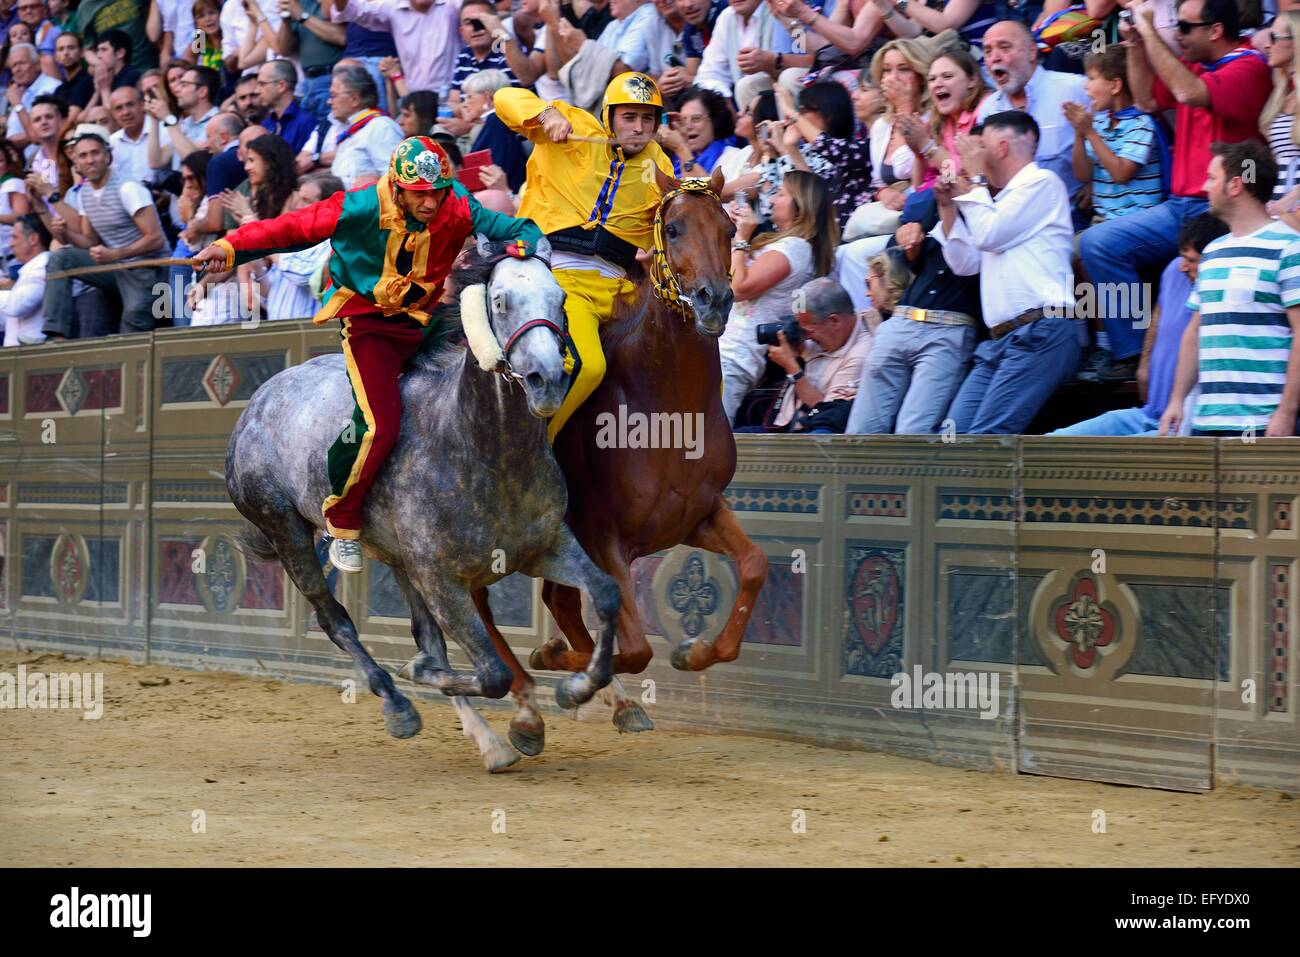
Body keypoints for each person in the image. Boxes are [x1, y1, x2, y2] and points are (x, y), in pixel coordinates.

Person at [192, 136, 543, 572]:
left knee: (496, 375)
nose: (431, 203)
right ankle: (342, 518)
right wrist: (230, 247)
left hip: (432, 319)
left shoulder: (457, 202)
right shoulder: (357, 207)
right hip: (371, 326)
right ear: (397, 187)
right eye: (420, 194)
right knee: (379, 425)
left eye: (437, 192)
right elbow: (290, 229)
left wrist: (527, 245)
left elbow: (514, 228)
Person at [1078, 0, 1272, 382]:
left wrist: (1151, 29)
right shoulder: (1197, 67)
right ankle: (1129, 352)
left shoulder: (1250, 66)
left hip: (1223, 214)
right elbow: (1148, 99)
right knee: (1097, 244)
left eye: (1184, 27)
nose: (1177, 33)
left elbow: (1187, 93)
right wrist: (1135, 43)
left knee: (1176, 276)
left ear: (1215, 31)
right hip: (1178, 207)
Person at [494, 71, 677, 442]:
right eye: (629, 117)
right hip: (558, 279)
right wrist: (547, 114)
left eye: (648, 119)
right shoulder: (572, 121)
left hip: (620, 290)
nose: (639, 128)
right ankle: (535, 448)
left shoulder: (662, 167)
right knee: (589, 365)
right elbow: (503, 98)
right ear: (609, 116)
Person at [935, 111, 1081, 434]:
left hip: (1041, 330)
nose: (973, 157)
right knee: (950, 440)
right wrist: (948, 207)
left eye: (980, 147)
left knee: (986, 443)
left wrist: (972, 183)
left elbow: (989, 234)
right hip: (1000, 340)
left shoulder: (1042, 183)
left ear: (1000, 147)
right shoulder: (992, 201)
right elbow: (965, 263)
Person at [1161, 142, 1300, 437]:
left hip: (1262, 424)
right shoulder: (1211, 252)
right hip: (1206, 423)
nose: (1204, 186)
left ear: (1236, 184)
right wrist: (1177, 401)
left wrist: (1286, 412)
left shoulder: (1290, 247)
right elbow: (1194, 332)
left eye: (1212, 178)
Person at [1050, 213, 1229, 435]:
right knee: (1054, 441)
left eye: (1191, 260)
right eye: (1183, 257)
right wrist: (1144, 364)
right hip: (1148, 414)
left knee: (1100, 459)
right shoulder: (1175, 269)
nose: (1183, 266)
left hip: (1184, 427)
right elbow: (1158, 314)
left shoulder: (1224, 291)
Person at [846, 211, 984, 435]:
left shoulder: (992, 209)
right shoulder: (932, 205)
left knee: (913, 432)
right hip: (902, 320)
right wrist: (908, 238)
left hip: (949, 328)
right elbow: (900, 247)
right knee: (861, 431)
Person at [719, 170, 839, 423]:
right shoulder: (786, 245)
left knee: (702, 446)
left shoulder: (795, 248)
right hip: (722, 353)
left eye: (781, 194)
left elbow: (738, 289)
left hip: (732, 357)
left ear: (801, 206)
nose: (771, 200)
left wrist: (741, 238)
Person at [36, 128, 168, 340]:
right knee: (61, 258)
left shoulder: (128, 188)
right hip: (116, 267)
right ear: (76, 164)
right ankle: (55, 335)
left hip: (147, 270)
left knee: (134, 320)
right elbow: (91, 241)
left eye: (95, 153)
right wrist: (66, 234)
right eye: (83, 155)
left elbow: (156, 239)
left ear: (107, 157)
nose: (90, 160)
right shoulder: (85, 194)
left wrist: (115, 255)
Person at [977, 20, 1089, 198]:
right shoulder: (988, 108)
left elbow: (1114, 138)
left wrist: (1095, 184)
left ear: (1031, 51)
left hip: (1071, 215)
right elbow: (984, 173)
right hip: (1012, 217)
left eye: (1004, 47)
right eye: (988, 51)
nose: (994, 58)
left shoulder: (1075, 89)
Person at [1065, 43, 1166, 224]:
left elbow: (1120, 174)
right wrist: (1080, 133)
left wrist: (1090, 132)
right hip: (1104, 218)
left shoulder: (1141, 123)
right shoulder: (1100, 122)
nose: (1085, 86)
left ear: (1115, 85)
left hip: (1136, 220)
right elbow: (1083, 175)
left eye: (1091, 78)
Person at [757, 277, 873, 433]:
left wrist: (792, 367)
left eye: (808, 331)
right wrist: (797, 351)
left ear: (834, 321)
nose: (805, 337)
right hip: (785, 423)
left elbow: (828, 414)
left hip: (812, 434)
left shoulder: (860, 355)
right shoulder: (829, 334)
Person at [326, 64, 403, 188]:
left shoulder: (381, 127)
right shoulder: (352, 129)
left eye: (334, 95)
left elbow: (398, 180)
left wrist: (376, 184)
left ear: (355, 99)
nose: (329, 101)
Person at [0, 212, 50, 345]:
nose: (11, 244)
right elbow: (10, 319)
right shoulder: (31, 269)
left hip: (33, 357)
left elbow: (17, 306)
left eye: (15, 237)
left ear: (33, 239)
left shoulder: (42, 266)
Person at [256, 58, 317, 153]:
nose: (257, 91)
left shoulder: (306, 123)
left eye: (262, 84)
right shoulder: (267, 124)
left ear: (281, 86)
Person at [107, 86, 150, 184]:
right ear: (113, 114)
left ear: (142, 105)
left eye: (130, 105)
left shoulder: (164, 132)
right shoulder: (111, 143)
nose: (126, 112)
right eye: (119, 108)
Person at [51, 31, 92, 110]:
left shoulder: (88, 79)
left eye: (71, 48)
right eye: (61, 49)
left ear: (82, 52)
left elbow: (72, 118)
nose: (66, 53)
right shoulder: (58, 90)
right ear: (56, 57)